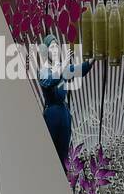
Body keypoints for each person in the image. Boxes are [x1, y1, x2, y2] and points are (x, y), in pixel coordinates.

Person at [38, 32, 92, 168]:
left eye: (56, 46)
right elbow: (49, 81)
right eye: (51, 47)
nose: (55, 50)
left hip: (64, 114)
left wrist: (93, 59)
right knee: (52, 153)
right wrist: (63, 67)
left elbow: (79, 70)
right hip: (52, 115)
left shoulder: (63, 67)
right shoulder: (45, 69)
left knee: (63, 154)